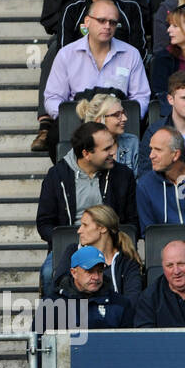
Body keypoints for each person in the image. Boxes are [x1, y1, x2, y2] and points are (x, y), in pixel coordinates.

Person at [36, 122, 138, 294]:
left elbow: (132, 220)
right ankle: (53, 317)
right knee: (48, 273)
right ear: (87, 154)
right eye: (106, 149)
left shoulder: (123, 175)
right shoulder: (57, 176)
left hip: (110, 244)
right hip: (71, 245)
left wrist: (111, 239)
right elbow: (44, 223)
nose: (113, 152)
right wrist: (67, 240)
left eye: (112, 146)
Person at [44, 0, 150, 122]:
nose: (107, 26)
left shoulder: (131, 54)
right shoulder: (66, 54)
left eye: (113, 22)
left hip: (119, 125)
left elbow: (141, 97)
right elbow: (53, 98)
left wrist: (123, 119)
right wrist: (71, 119)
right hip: (78, 125)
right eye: (101, 20)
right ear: (87, 22)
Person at [52, 203, 143, 301]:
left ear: (102, 228)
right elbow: (58, 287)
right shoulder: (73, 251)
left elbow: (132, 300)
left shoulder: (126, 261)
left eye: (85, 225)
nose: (79, 230)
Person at [39, 246, 135, 331]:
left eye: (100, 271)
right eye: (89, 271)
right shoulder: (51, 305)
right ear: (74, 273)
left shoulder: (120, 304)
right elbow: (36, 346)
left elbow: (129, 345)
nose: (96, 277)